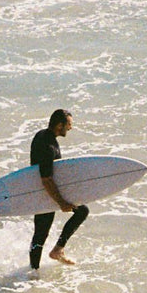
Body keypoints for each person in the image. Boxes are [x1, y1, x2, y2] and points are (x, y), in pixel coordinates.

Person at [29, 108, 89, 269]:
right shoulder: (48, 146)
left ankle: (55, 252)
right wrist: (61, 202)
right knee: (40, 235)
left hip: (43, 190)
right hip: (46, 192)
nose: (70, 128)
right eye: (69, 124)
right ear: (59, 125)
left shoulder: (42, 135)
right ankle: (34, 272)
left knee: (82, 211)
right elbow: (46, 179)